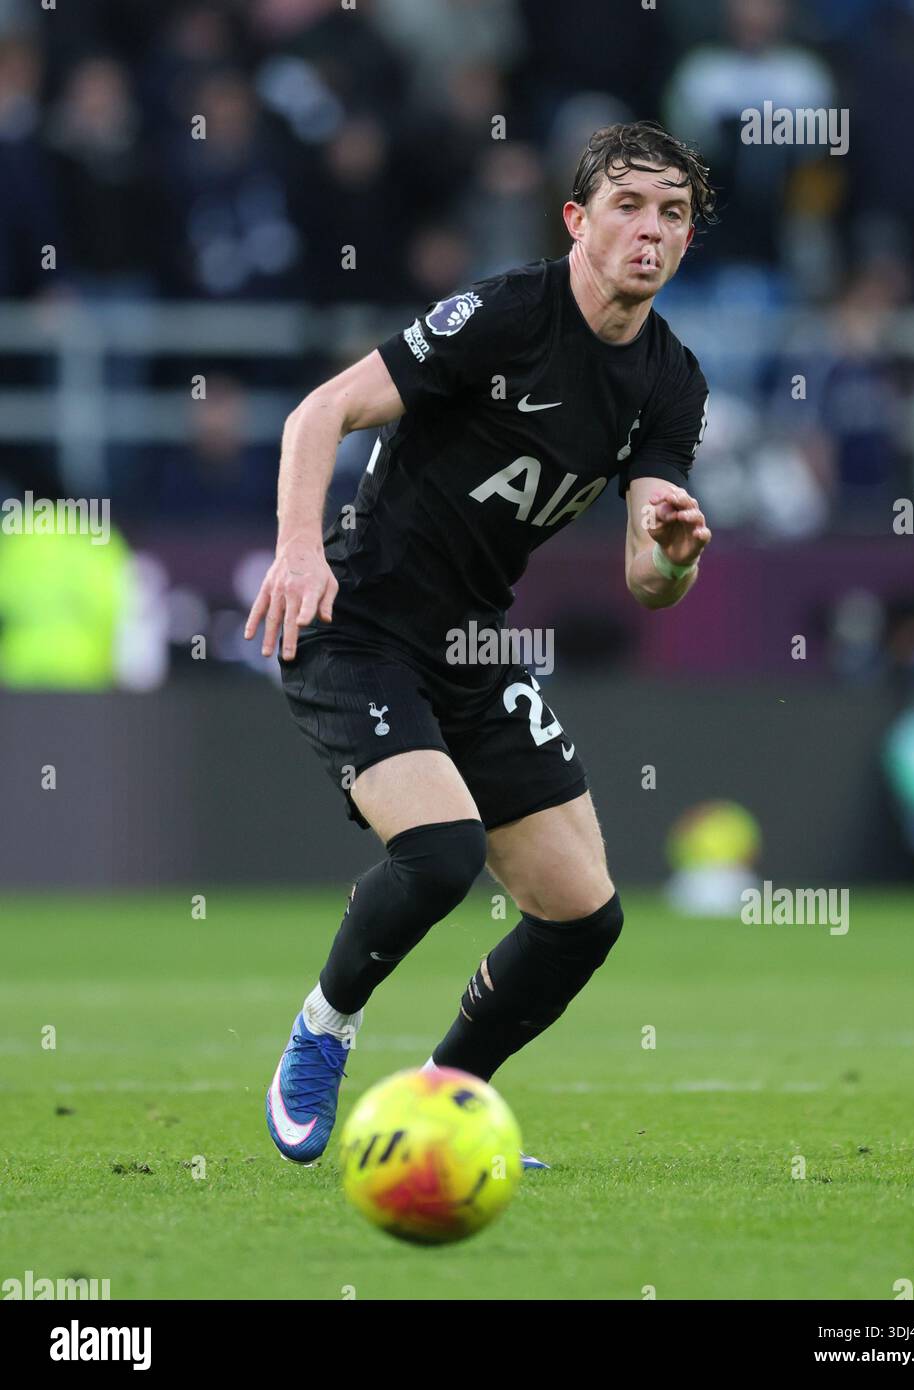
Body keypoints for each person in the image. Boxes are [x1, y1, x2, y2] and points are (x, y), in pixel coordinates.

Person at [244, 120, 716, 1167]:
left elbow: (649, 581)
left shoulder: (671, 382)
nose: (650, 231)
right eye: (628, 206)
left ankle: (444, 1101)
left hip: (469, 643)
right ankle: (324, 1025)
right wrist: (295, 551)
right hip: (357, 622)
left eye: (672, 214)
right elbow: (319, 413)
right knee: (441, 852)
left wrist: (674, 553)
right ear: (576, 220)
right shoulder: (508, 314)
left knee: (582, 917)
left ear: (688, 241)